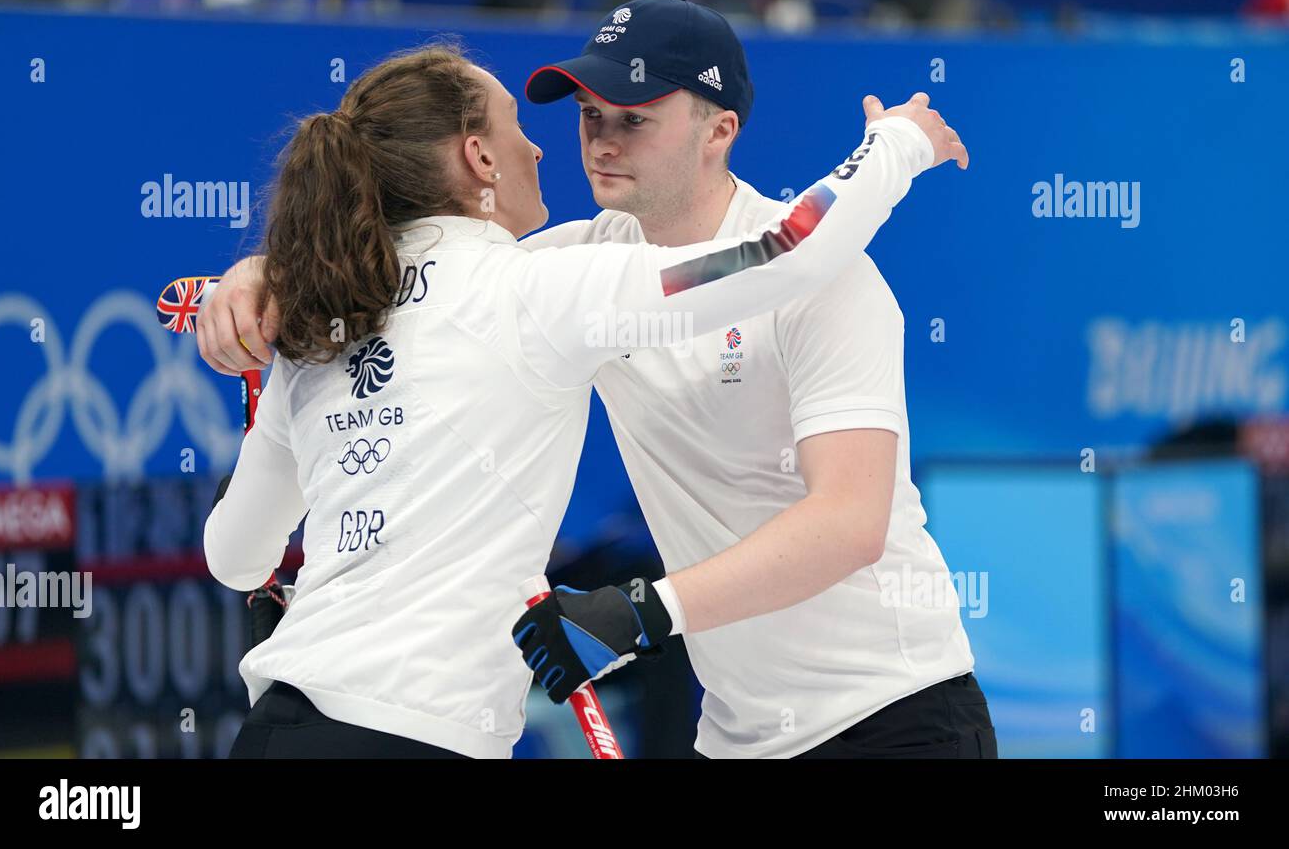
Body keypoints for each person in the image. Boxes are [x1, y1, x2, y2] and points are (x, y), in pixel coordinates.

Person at [202, 40, 959, 758]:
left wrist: (266, 272)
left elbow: (234, 558)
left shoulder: (327, 317)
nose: (547, 149)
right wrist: (897, 145)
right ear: (479, 157)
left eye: (631, 117)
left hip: (280, 719)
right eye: (526, 130)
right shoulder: (548, 291)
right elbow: (787, 251)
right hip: (422, 734)